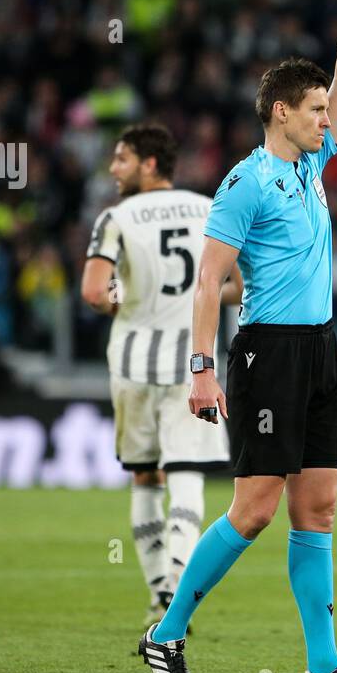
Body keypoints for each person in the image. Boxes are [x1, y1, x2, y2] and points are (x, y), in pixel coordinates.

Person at [138, 0, 337, 673]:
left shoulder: (311, 162)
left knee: (316, 506)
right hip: (265, 355)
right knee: (254, 510)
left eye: (328, 109)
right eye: (316, 109)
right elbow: (208, 280)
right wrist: (200, 369)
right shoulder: (244, 184)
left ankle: (323, 667)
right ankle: (166, 632)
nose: (330, 117)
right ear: (281, 113)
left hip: (320, 350)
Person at [81, 123, 240, 629]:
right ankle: (177, 589)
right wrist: (196, 300)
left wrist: (129, 301)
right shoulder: (209, 208)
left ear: (150, 164)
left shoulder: (116, 216)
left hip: (131, 363)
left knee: (145, 476)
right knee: (187, 472)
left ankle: (156, 594)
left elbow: (92, 292)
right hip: (193, 367)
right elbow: (235, 284)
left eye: (121, 159)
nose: (113, 169)